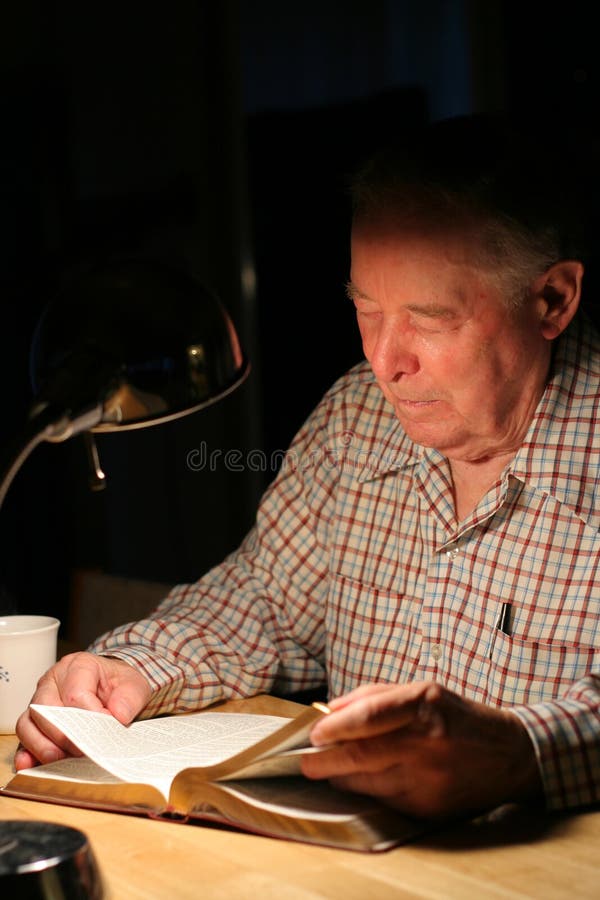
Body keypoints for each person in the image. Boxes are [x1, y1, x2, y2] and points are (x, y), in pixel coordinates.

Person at [15, 114, 599, 821]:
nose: (388, 363)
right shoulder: (359, 415)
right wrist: (131, 665)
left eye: (432, 317)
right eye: (367, 309)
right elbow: (264, 601)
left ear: (552, 300)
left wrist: (521, 755)